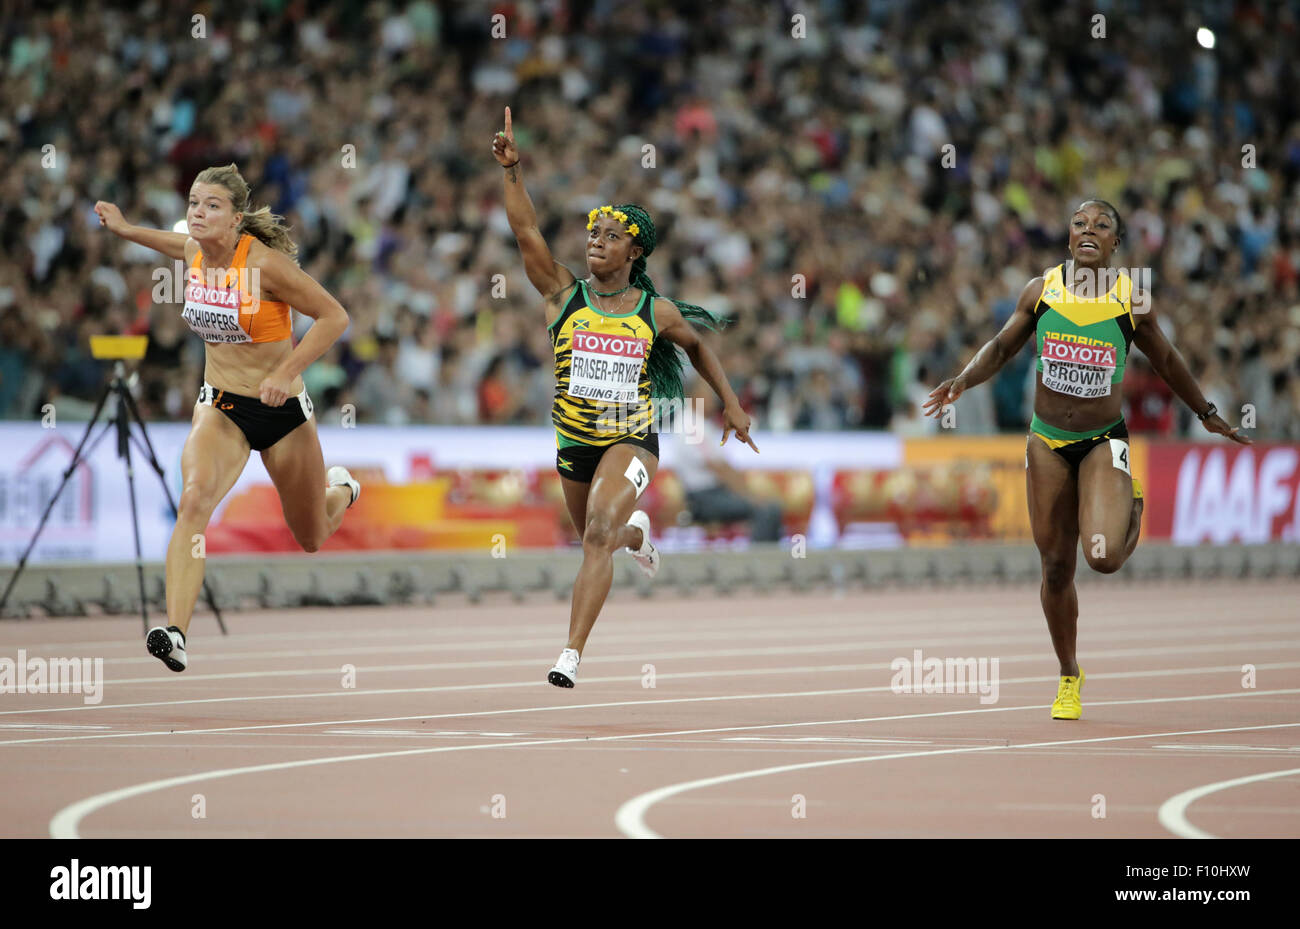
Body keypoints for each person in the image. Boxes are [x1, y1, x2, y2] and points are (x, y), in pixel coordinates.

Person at [924, 199, 1249, 719]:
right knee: (1056, 568)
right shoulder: (1041, 290)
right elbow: (1002, 346)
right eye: (1079, 223)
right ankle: (1068, 675)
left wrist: (1206, 411)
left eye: (1102, 225)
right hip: (1046, 441)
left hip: (1102, 439)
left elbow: (1165, 359)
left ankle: (1130, 503)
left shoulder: (1130, 300)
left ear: (1116, 244)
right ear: (1069, 238)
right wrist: (962, 379)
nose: (1089, 230)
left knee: (1102, 557)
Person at [492, 106, 758, 687]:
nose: (596, 242)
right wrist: (513, 172)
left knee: (594, 537)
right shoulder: (562, 294)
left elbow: (698, 348)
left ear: (634, 253)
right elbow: (525, 232)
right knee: (600, 535)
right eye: (593, 233)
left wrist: (731, 405)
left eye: (611, 237)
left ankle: (570, 656)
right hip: (573, 440)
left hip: (630, 436)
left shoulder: (653, 311)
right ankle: (637, 535)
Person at [94, 163, 361, 672]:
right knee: (192, 500)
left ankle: (343, 490)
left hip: (282, 414)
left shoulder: (264, 266)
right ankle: (175, 632)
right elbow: (172, 246)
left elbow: (335, 317)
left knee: (311, 536)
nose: (197, 213)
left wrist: (286, 371)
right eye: (193, 203)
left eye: (211, 206)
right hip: (221, 407)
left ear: (236, 219)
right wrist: (127, 229)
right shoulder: (194, 250)